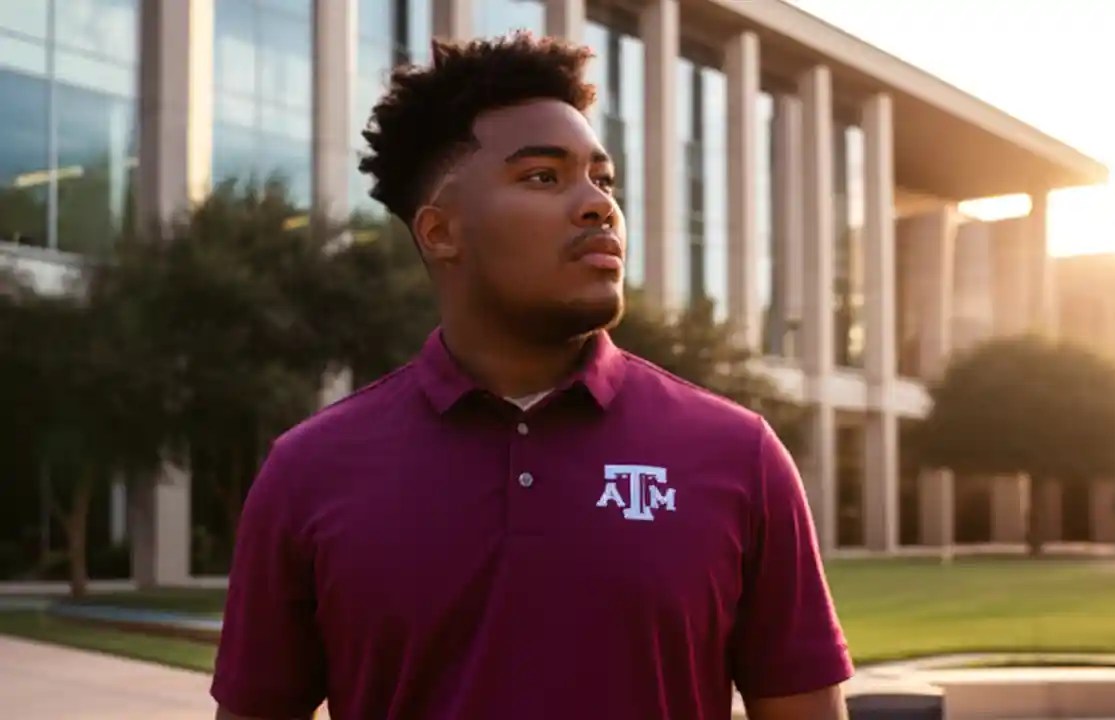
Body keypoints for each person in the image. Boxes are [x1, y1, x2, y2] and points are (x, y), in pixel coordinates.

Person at [211, 32, 852, 720]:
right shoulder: (308, 472)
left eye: (602, 180)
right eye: (543, 176)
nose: (597, 205)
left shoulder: (740, 457)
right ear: (439, 232)